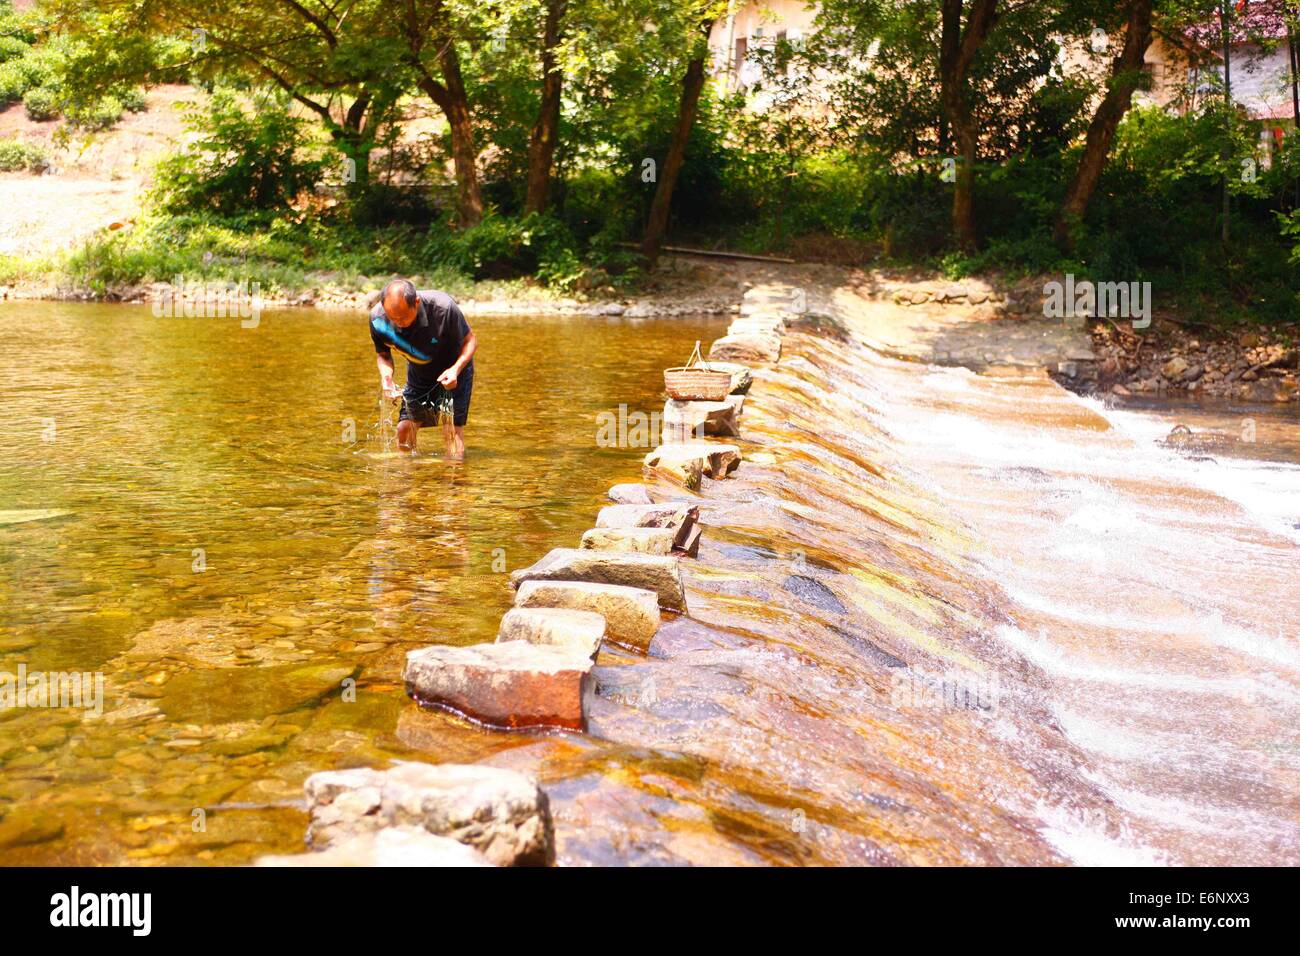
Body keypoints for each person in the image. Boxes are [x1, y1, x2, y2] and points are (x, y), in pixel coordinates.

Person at [369, 278, 477, 459]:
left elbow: (470, 341)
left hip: (454, 371)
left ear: (416, 302)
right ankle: (410, 477)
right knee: (404, 429)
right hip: (420, 374)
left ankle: (455, 480)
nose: (398, 322)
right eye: (393, 317)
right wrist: (386, 378)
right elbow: (384, 355)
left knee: (450, 431)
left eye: (403, 317)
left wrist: (455, 370)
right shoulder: (378, 320)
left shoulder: (443, 309)